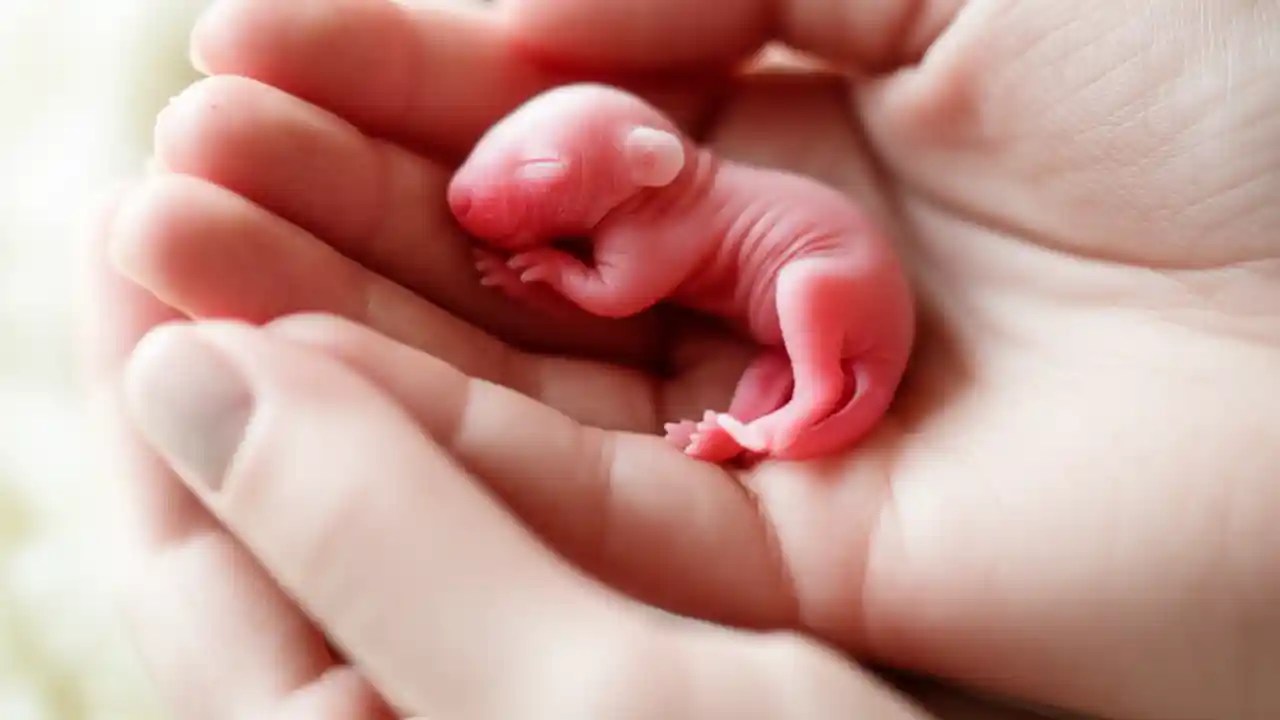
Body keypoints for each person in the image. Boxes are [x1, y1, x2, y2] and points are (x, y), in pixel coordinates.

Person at [82, 0, 1280, 717]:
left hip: (833, 280)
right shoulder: (649, 182)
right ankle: (778, 407)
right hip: (808, 301)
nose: (494, 199)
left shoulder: (657, 219)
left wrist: (555, 274)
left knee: (807, 328)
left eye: (536, 184)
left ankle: (808, 398)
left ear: (643, 168)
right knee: (770, 377)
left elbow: (622, 292)